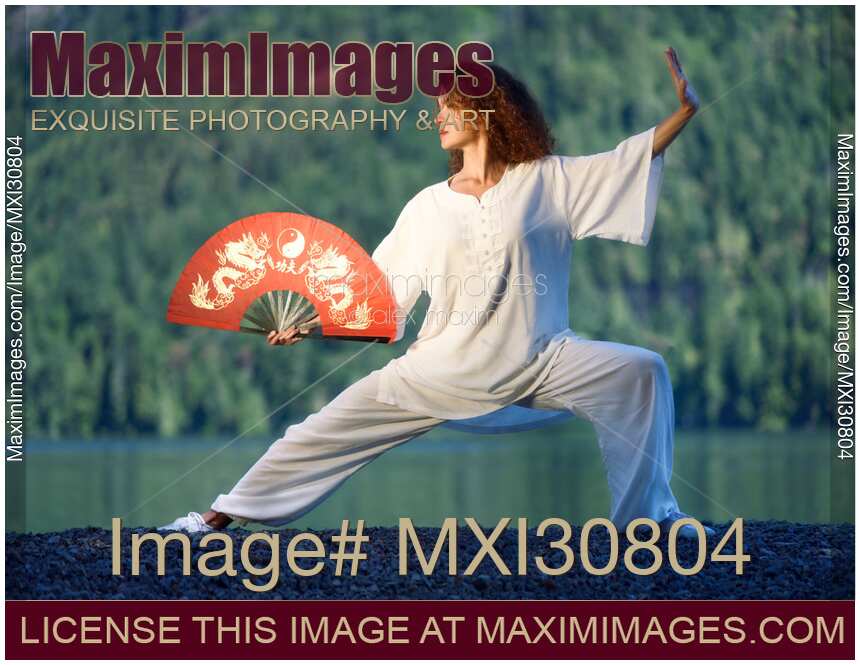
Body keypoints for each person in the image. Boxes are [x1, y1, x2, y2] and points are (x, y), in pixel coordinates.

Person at [162, 47, 715, 538]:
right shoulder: (427, 206)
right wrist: (312, 322)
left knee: (642, 372)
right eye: (437, 106)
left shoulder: (548, 180)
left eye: (449, 104)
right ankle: (215, 517)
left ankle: (652, 521)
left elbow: (624, 164)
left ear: (486, 109)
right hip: (439, 370)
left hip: (541, 357)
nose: (438, 115)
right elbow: (376, 300)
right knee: (316, 432)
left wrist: (684, 113)